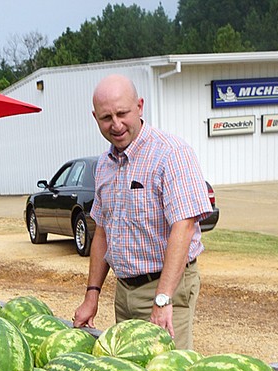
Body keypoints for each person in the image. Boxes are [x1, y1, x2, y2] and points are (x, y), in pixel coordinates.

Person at [72, 74, 212, 349]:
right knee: (129, 368)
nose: (116, 125)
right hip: (124, 290)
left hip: (166, 287)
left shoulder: (171, 153)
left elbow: (183, 227)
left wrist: (163, 298)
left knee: (166, 369)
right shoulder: (104, 165)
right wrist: (92, 295)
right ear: (95, 117)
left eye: (122, 113)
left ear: (139, 106)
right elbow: (102, 231)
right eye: (106, 117)